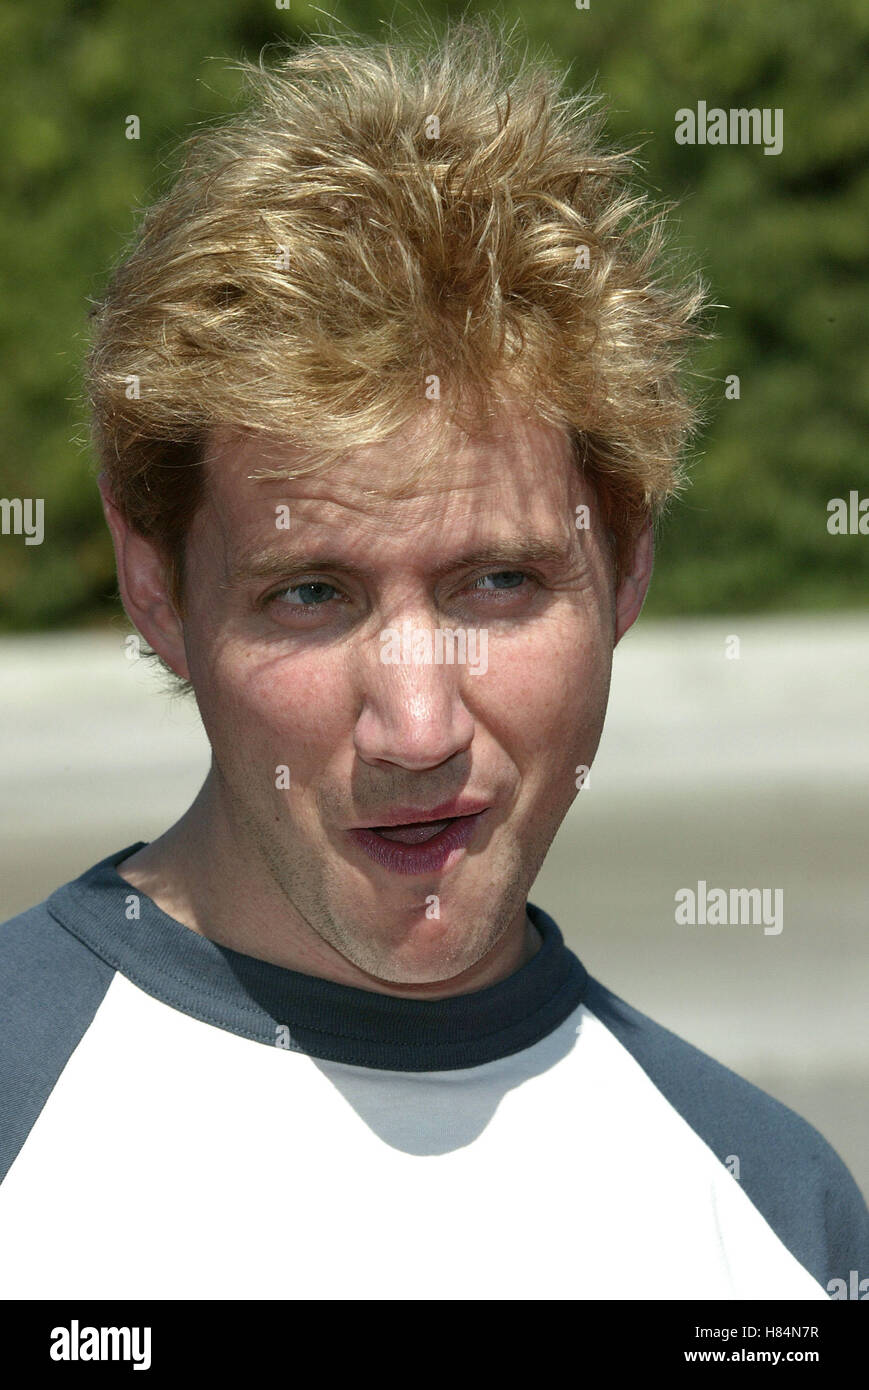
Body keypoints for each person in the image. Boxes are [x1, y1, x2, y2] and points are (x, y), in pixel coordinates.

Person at [0, 18, 865, 1300]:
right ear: (154, 589)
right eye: (310, 593)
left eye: (498, 583)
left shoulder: (776, 1221)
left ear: (624, 565)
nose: (415, 726)